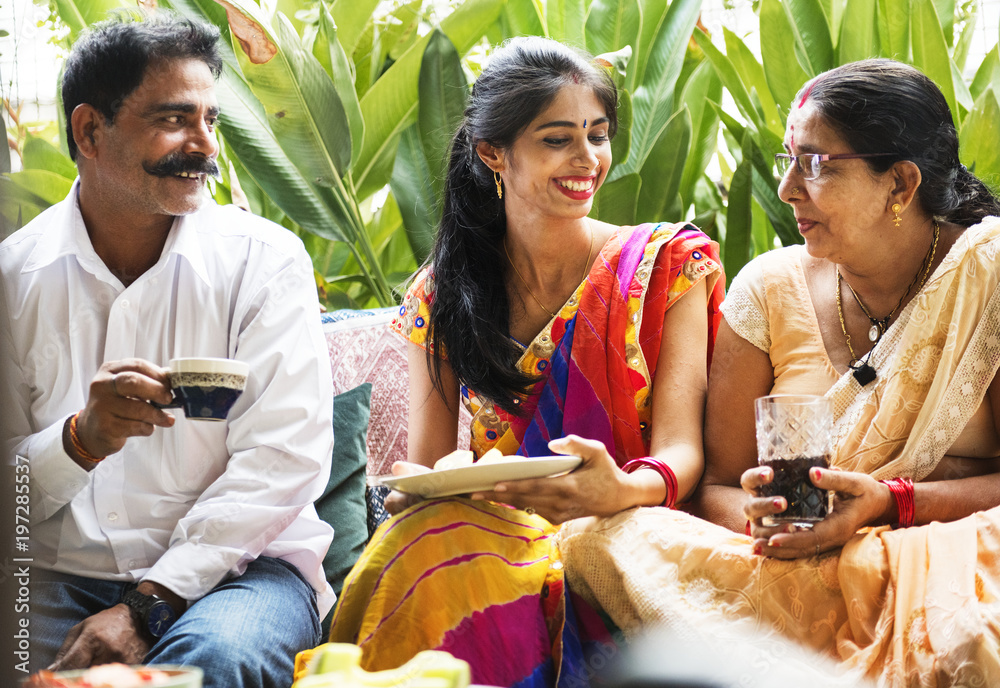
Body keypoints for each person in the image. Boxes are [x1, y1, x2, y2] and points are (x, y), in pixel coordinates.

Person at [557, 59, 1000, 686]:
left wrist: (890, 504)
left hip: (950, 557)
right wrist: (780, 524)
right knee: (603, 540)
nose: (789, 187)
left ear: (900, 184)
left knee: (966, 637)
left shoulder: (987, 275)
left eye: (816, 164)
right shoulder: (768, 287)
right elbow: (716, 486)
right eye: (786, 159)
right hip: (798, 569)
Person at [305, 37, 724, 687]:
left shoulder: (664, 267)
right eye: (558, 139)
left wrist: (616, 488)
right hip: (494, 531)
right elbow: (429, 464)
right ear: (493, 153)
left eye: (598, 134)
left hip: (629, 527)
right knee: (416, 545)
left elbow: (681, 452)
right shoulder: (445, 293)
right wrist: (432, 489)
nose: (587, 159)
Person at [0, 14, 336, 687]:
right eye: (175, 119)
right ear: (89, 131)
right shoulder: (15, 277)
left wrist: (145, 606)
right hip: (58, 574)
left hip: (243, 575)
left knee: (209, 663)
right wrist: (77, 442)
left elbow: (282, 460)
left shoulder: (265, 265)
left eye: (211, 119)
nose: (205, 145)